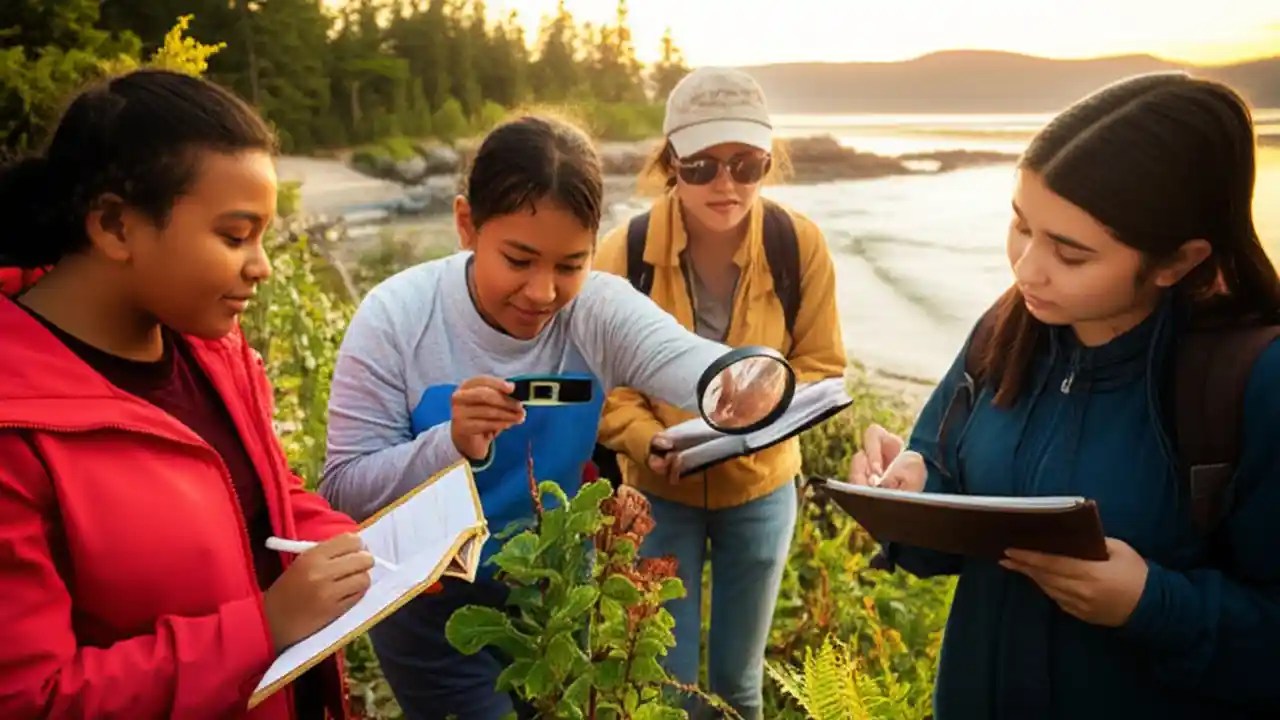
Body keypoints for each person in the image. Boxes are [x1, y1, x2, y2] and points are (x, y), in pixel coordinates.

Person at [847, 72, 1280, 719]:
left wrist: (1151, 604)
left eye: (1070, 253)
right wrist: (904, 495)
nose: (1025, 268)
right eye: (1021, 227)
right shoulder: (1005, 329)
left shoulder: (1251, 382)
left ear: (1178, 260)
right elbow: (942, 484)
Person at [320, 114, 763, 720]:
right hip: (428, 608)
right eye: (520, 259)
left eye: (569, 265)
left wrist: (754, 385)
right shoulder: (397, 318)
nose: (543, 292)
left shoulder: (597, 311)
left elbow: (691, 361)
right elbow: (343, 489)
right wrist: (448, 443)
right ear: (466, 224)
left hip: (552, 599)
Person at [0, 69, 373, 720]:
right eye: (235, 236)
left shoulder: (211, 353)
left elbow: (263, 493)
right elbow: (33, 699)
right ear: (116, 226)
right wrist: (263, 628)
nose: (261, 265)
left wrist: (378, 554)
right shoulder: (18, 430)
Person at [593, 66, 846, 719]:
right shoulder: (627, 251)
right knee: (666, 691)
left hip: (761, 495)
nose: (725, 183)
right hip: (657, 494)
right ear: (670, 161)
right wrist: (648, 441)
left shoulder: (798, 246)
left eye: (746, 163)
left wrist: (760, 421)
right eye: (701, 165)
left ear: (768, 160)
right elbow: (603, 381)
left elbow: (820, 364)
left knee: (738, 690)